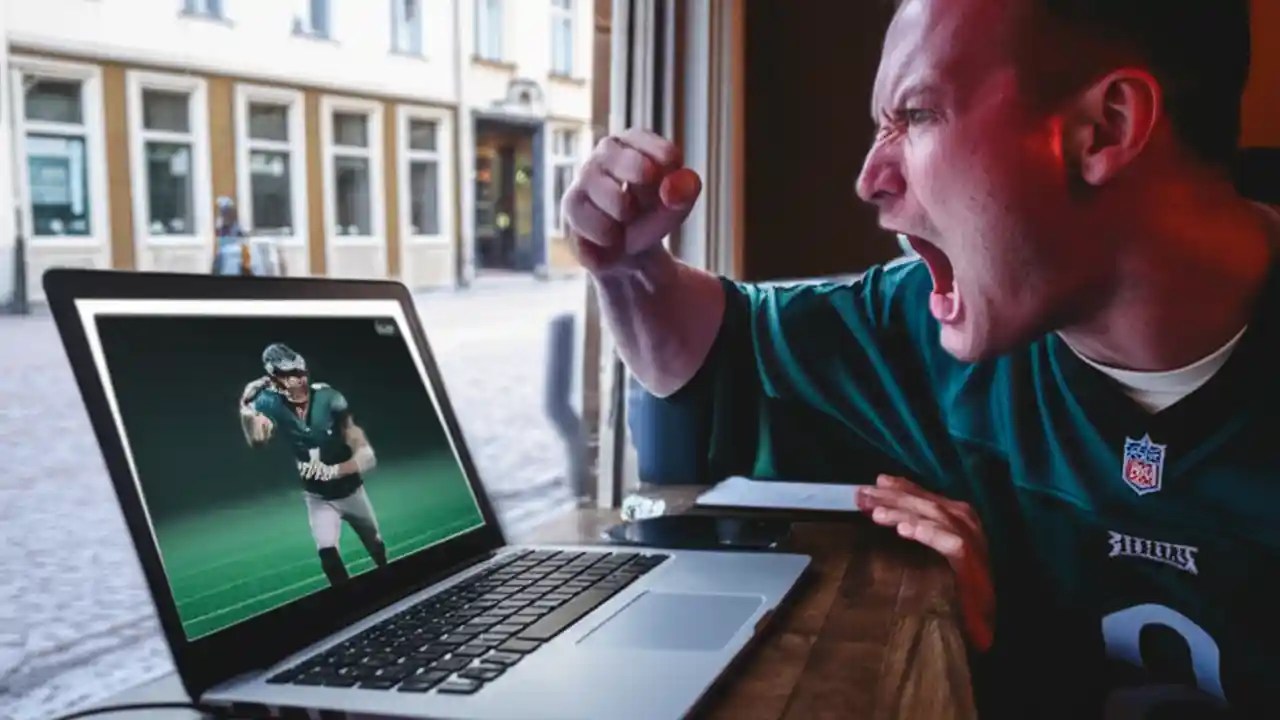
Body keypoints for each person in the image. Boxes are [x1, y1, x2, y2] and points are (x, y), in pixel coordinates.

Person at [563, 0, 1274, 716]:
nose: (872, 178)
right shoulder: (940, 326)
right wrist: (629, 268)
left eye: (917, 115)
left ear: (1104, 128)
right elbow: (726, 345)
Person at [239, 343, 386, 587]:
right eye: (288, 375)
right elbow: (257, 440)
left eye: (299, 373)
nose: (297, 380)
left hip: (351, 490)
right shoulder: (268, 403)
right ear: (274, 378)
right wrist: (245, 408)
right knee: (327, 552)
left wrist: (334, 470)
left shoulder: (328, 397)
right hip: (318, 496)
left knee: (375, 544)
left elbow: (365, 454)